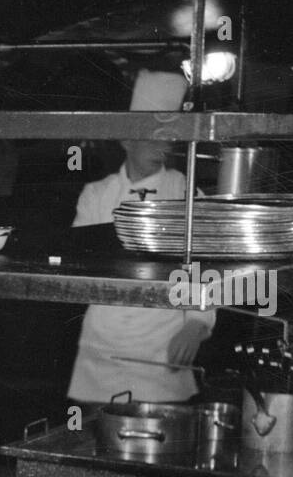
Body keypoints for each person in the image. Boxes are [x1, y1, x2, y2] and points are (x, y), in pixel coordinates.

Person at [68, 128, 216, 405]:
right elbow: (82, 264)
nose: (162, 147)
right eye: (152, 137)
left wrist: (196, 324)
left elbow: (206, 268)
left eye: (167, 138)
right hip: (102, 345)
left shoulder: (186, 191)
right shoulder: (96, 194)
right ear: (126, 139)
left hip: (163, 346)